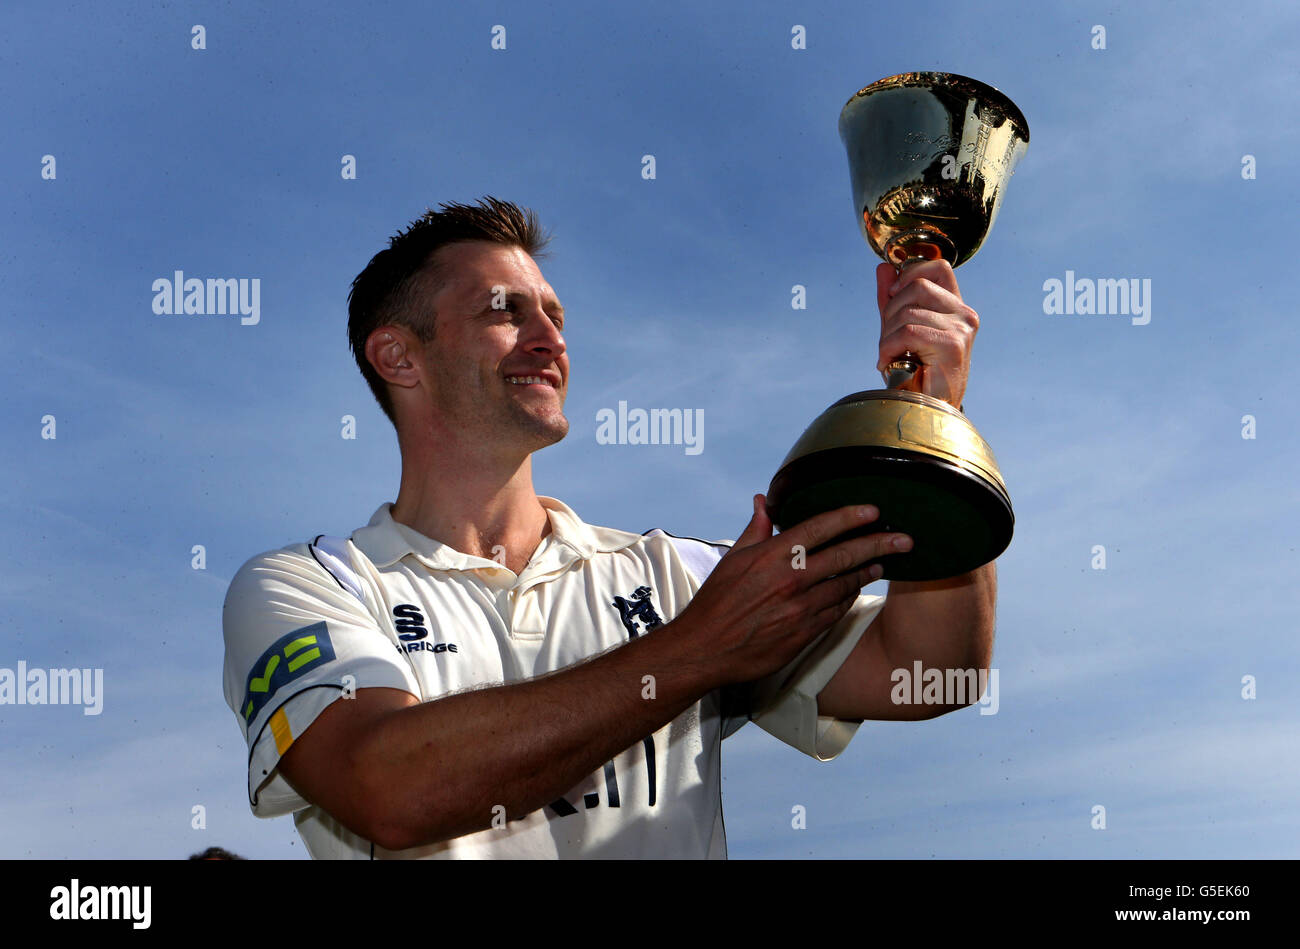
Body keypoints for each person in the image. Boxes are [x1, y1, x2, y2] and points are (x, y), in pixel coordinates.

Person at [221, 197, 996, 858]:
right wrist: (701, 649)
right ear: (398, 356)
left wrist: (932, 419)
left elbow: (926, 668)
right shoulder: (308, 586)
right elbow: (383, 785)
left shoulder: (679, 573)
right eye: (504, 310)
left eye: (555, 315)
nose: (550, 339)